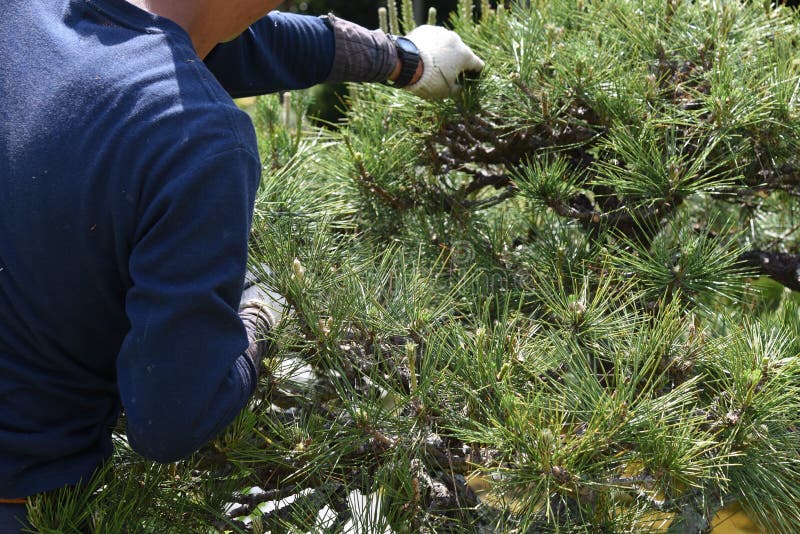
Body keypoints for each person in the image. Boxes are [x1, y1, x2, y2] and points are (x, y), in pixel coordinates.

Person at [0, 0, 484, 530]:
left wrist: (401, 58)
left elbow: (204, 40)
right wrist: (257, 315)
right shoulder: (195, 137)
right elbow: (170, 418)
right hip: (29, 506)